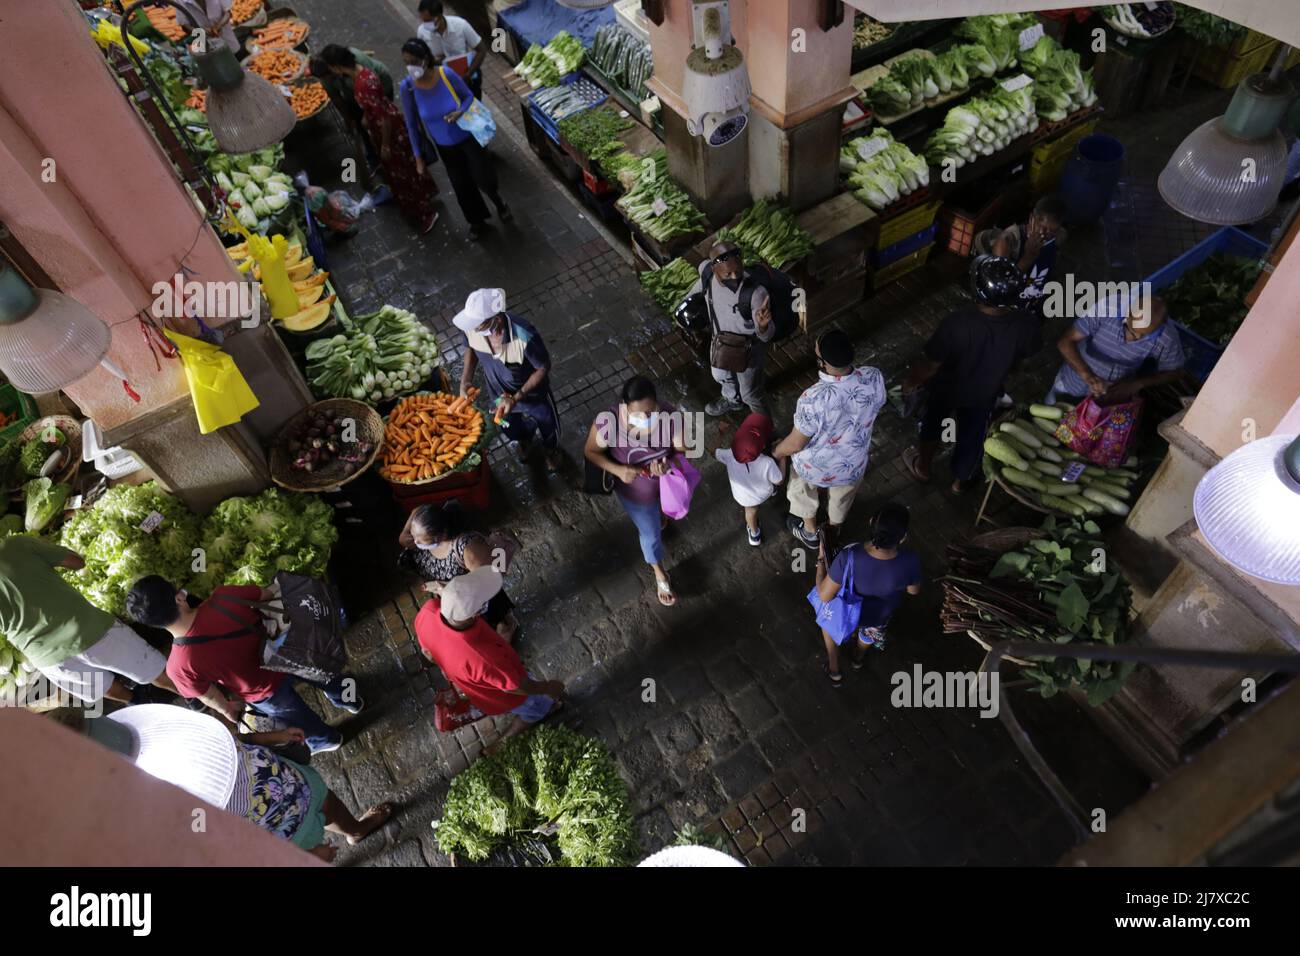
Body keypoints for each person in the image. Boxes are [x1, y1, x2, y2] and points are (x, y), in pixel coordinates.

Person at [72, 705, 391, 863]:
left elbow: (228, 738)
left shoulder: (158, 727)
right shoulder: (145, 816)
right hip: (281, 834)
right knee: (315, 851)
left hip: (291, 780)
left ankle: (355, 829)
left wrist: (273, 737)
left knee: (327, 802)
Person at [125, 576, 363, 755]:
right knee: (323, 674)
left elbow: (208, 696)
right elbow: (266, 594)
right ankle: (349, 699)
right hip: (289, 652)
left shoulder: (178, 668)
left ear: (153, 625)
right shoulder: (224, 596)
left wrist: (228, 709)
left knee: (296, 716)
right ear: (178, 597)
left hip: (264, 692)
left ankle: (327, 740)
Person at [901, 256, 1042, 494]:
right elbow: (1022, 360)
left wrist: (910, 383)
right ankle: (960, 481)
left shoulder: (957, 324)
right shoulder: (1026, 324)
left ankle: (923, 468)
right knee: (972, 434)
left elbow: (931, 365)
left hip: (946, 390)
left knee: (933, 424)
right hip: (985, 393)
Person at [0, 536, 177, 705]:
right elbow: (77, 562)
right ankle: (195, 697)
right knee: (153, 670)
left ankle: (138, 701)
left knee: (101, 687)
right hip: (87, 630)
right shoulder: (16, 545)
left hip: (46, 658)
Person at [415, 568, 565, 748]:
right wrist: (548, 687)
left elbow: (428, 651)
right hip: (504, 695)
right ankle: (502, 742)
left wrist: (454, 594)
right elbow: (516, 687)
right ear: (475, 614)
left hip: (472, 682)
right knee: (537, 707)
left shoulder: (428, 611)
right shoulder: (483, 657)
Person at [772, 329, 886, 551]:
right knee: (841, 500)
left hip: (813, 467)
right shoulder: (874, 377)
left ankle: (810, 532)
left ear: (822, 363)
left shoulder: (812, 399)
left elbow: (796, 443)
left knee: (802, 492)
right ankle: (833, 532)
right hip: (852, 464)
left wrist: (777, 451)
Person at [584, 376, 689, 606]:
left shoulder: (671, 415)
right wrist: (619, 470)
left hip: (666, 486)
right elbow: (591, 451)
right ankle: (660, 573)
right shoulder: (607, 422)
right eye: (638, 414)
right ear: (624, 406)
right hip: (636, 496)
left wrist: (669, 464)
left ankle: (662, 516)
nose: (647, 419)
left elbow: (684, 448)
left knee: (663, 513)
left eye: (651, 412)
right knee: (651, 535)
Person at [320, 44, 439, 234]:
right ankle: (427, 194)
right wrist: (366, 118)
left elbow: (384, 118)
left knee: (403, 174)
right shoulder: (363, 73)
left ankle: (425, 213)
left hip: (390, 134)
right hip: (387, 128)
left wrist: (384, 145)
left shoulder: (363, 84)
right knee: (407, 167)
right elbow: (377, 106)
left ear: (336, 66)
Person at [400, 38, 509, 239]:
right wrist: (418, 157)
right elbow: (412, 124)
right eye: (407, 62)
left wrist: (460, 112)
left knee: (483, 178)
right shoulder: (408, 88)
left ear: (425, 59)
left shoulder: (446, 74)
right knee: (461, 185)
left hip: (468, 137)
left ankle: (499, 202)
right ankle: (476, 220)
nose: (411, 67)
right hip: (445, 147)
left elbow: (468, 97)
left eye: (414, 61)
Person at [812, 503, 922, 687]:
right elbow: (913, 591)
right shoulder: (911, 560)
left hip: (846, 612)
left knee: (827, 620)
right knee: (870, 632)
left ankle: (834, 668)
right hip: (878, 616)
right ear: (902, 538)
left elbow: (824, 596)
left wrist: (821, 561)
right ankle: (858, 658)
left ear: (871, 522)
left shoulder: (849, 556)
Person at [452, 288, 562, 470]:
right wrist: (465, 380)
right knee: (508, 427)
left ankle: (551, 451)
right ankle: (525, 438)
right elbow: (470, 349)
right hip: (498, 396)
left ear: (495, 319)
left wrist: (516, 397)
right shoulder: (471, 329)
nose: (471, 328)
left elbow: (543, 367)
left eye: (477, 325)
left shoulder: (524, 335)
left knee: (548, 425)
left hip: (532, 395)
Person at [398, 502, 520, 641]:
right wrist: (406, 532)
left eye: (421, 540)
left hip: (475, 597)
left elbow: (488, 584)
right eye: (413, 535)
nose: (414, 541)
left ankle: (506, 623)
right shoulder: (420, 527)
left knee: (494, 622)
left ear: (441, 535)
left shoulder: (467, 548)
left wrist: (449, 591)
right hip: (451, 595)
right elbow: (415, 516)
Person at [688, 241, 776, 417]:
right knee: (721, 375)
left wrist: (763, 325)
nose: (735, 277)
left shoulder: (756, 294)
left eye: (738, 271)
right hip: (720, 342)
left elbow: (767, 337)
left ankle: (766, 428)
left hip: (748, 350)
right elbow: (697, 291)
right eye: (728, 273)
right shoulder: (706, 272)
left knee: (750, 394)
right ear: (714, 269)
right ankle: (732, 401)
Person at [1047, 293, 1184, 406]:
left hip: (1111, 396)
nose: (1136, 338)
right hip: (1073, 380)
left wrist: (1137, 384)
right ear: (1128, 313)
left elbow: (1175, 372)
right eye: (1133, 330)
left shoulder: (1167, 337)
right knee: (1054, 405)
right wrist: (1087, 375)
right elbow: (1065, 342)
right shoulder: (1107, 308)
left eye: (1145, 334)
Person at [975, 195, 1068, 316]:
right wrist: (1028, 257)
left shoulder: (1059, 237)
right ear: (1032, 218)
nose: (1046, 234)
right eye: (1042, 227)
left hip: (1032, 306)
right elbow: (999, 285)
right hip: (1007, 311)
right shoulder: (1008, 240)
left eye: (1053, 230)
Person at [311, 46, 396, 176]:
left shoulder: (359, 65)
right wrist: (348, 119)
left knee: (384, 125)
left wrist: (384, 144)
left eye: (330, 77)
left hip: (379, 91)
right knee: (364, 129)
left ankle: (390, 150)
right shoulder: (327, 76)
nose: (329, 81)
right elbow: (336, 98)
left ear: (333, 68)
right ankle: (375, 157)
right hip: (358, 98)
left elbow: (377, 96)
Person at [712, 412, 784, 547]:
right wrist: (783, 457)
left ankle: (754, 534)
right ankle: (772, 492)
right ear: (762, 446)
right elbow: (780, 480)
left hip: (746, 498)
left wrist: (720, 432)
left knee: (750, 512)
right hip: (764, 492)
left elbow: (713, 451)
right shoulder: (767, 462)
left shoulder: (729, 454)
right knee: (774, 478)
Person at [416, 0, 490, 99]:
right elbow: (423, 59)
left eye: (428, 21)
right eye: (423, 21)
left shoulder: (461, 25)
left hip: (466, 78)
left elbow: (481, 50)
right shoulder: (422, 32)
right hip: (442, 82)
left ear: (439, 16)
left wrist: (468, 75)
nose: (425, 25)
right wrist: (433, 61)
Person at [173, 0, 237, 53]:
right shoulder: (180, 1)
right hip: (207, 45)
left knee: (236, 56)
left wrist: (218, 26)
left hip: (227, 38)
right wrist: (200, 31)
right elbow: (184, 25)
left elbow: (228, 13)